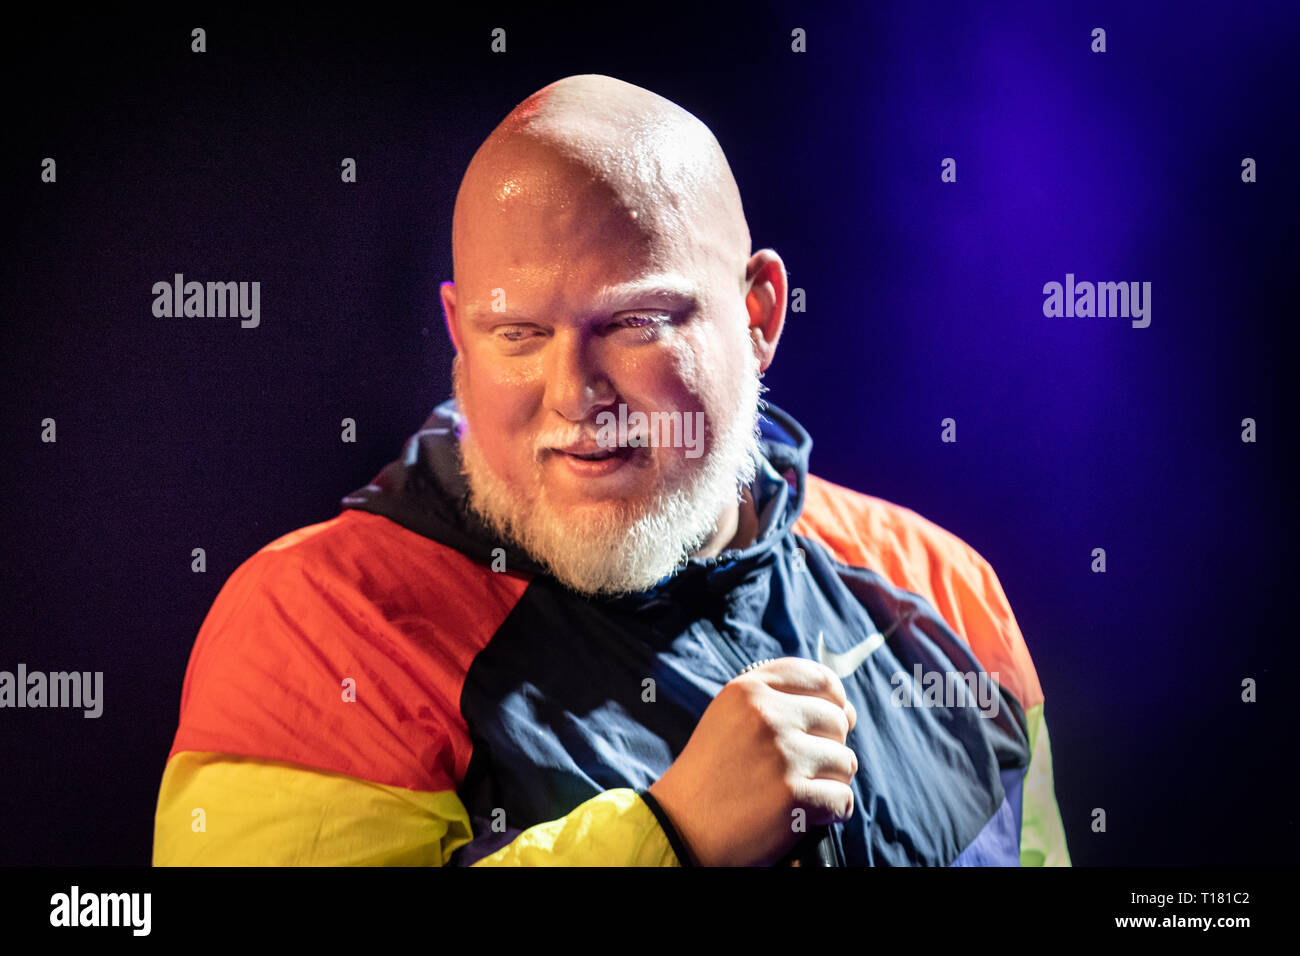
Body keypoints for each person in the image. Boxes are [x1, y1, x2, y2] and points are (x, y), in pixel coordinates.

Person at [152, 73, 1070, 867]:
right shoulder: (324, 624)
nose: (574, 393)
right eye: (518, 334)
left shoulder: (946, 593)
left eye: (634, 323)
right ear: (458, 337)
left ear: (758, 317)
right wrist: (668, 837)